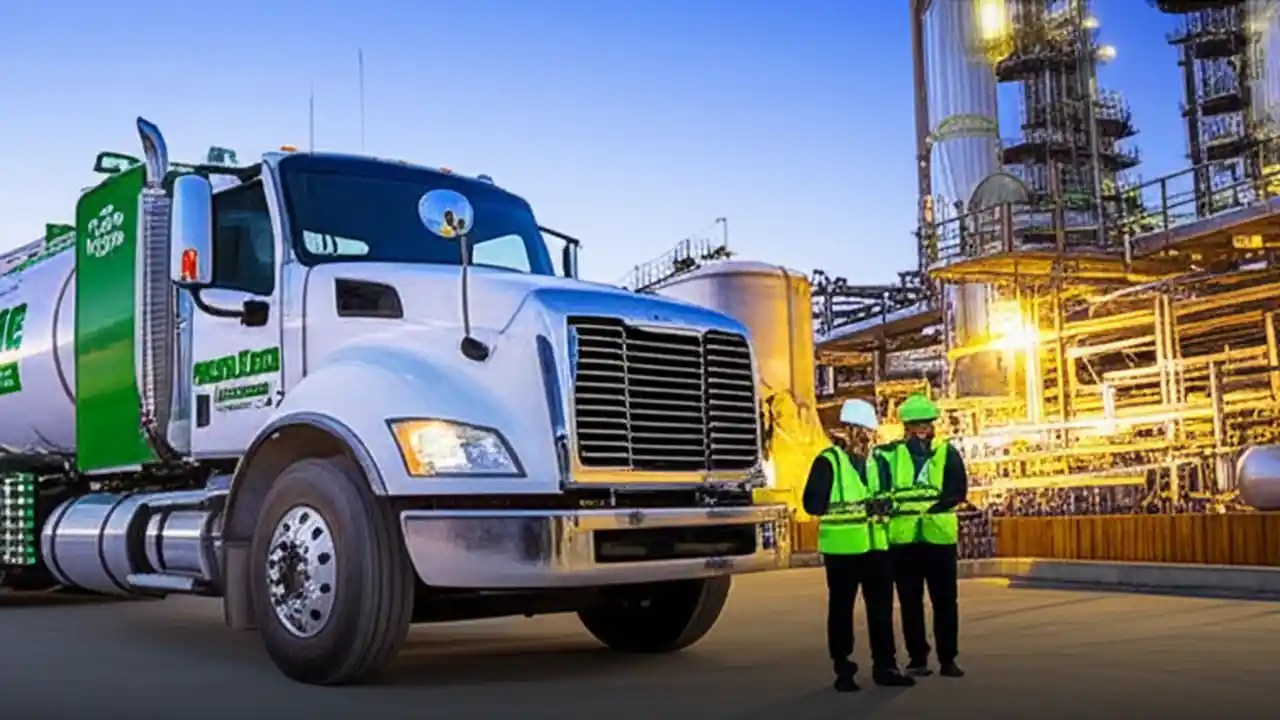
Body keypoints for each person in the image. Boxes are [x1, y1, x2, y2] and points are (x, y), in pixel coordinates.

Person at [802, 399, 915, 693]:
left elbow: (891, 496)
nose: (866, 438)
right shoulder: (828, 462)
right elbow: (811, 504)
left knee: (881, 610)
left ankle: (886, 666)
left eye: (869, 432)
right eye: (861, 431)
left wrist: (886, 504)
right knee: (842, 610)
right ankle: (843, 668)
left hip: (877, 548)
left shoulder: (878, 463)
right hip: (842, 551)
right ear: (848, 431)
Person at [882, 393, 968, 678]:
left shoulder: (946, 452)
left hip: (938, 538)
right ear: (905, 426)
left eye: (925, 424)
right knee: (910, 601)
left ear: (933, 425)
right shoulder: (891, 455)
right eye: (916, 424)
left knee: (944, 601)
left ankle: (947, 659)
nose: (921, 429)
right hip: (905, 540)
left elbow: (958, 490)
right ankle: (918, 658)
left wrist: (935, 506)